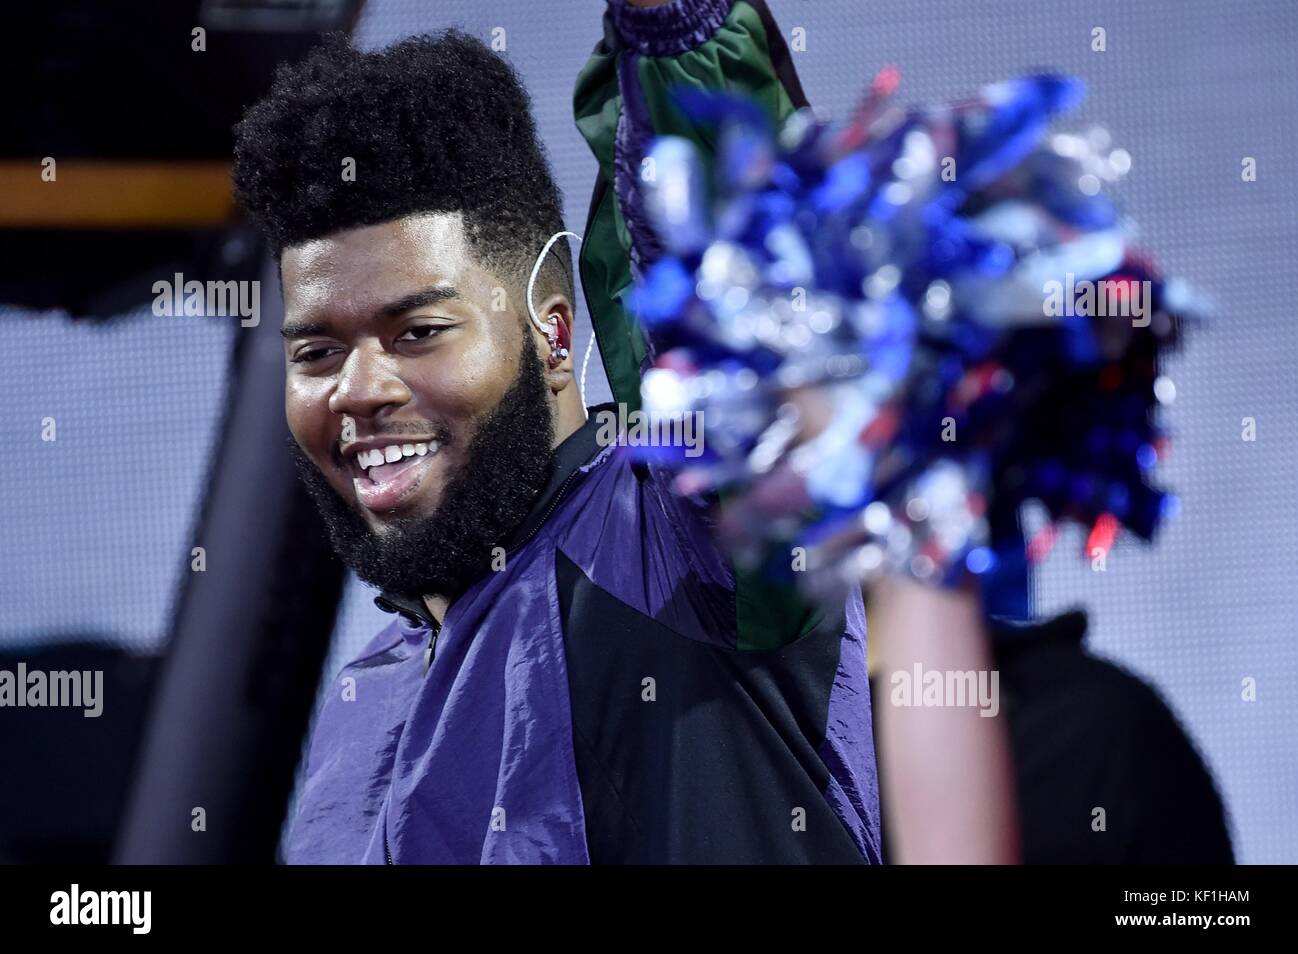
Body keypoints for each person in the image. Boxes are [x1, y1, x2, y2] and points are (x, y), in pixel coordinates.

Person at [233, 0, 909, 864]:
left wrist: (677, 29)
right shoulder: (363, 702)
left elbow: (728, 287)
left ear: (552, 333)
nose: (358, 391)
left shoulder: (677, 545)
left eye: (419, 333)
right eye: (318, 352)